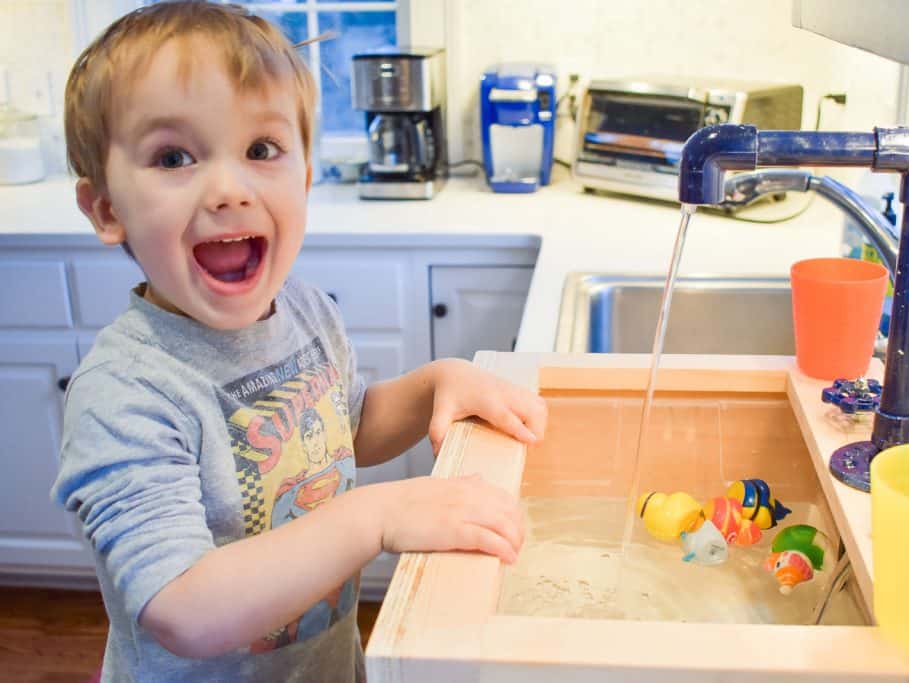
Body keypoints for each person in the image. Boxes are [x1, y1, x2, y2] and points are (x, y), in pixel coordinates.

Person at [50, 2, 547, 681]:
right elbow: (182, 606)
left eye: (261, 150)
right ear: (106, 208)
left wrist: (438, 381)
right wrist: (375, 515)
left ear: (305, 175)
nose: (229, 188)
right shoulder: (123, 392)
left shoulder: (307, 310)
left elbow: (343, 428)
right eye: (174, 156)